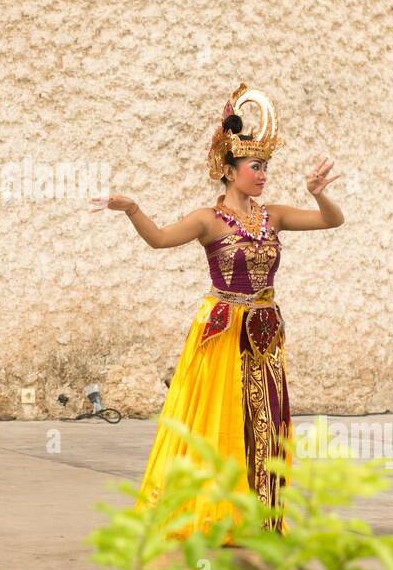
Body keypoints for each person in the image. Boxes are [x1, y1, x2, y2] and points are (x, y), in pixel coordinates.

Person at [92, 83, 343, 539]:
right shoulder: (207, 219)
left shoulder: (276, 216)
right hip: (224, 333)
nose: (263, 174)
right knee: (219, 422)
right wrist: (131, 208)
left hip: (265, 335)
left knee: (265, 423)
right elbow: (160, 239)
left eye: (266, 166)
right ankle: (215, 518)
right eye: (255, 166)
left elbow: (331, 220)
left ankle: (261, 522)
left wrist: (317, 192)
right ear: (229, 170)